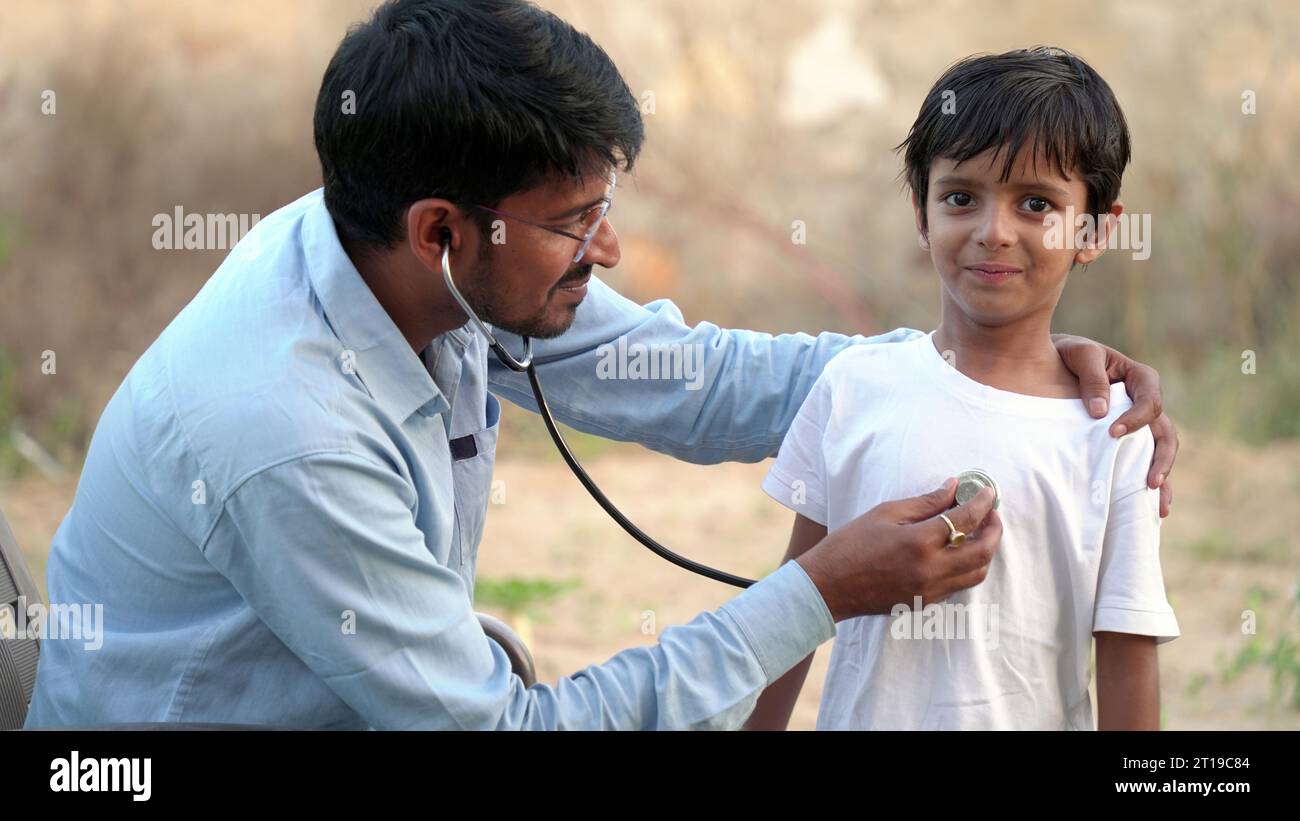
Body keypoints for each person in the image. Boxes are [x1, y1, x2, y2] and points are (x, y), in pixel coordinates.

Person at [23, 5, 1178, 730]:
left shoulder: (389, 237)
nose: (609, 250)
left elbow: (684, 376)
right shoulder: (286, 432)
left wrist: (980, 364)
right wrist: (819, 592)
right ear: (444, 229)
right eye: (576, 221)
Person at [745, 47, 1179, 731]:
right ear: (921, 212)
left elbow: (1126, 652)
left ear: (1094, 229)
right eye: (960, 197)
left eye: (1036, 203)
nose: (992, 231)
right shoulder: (854, 387)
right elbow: (794, 602)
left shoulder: (1115, 430)